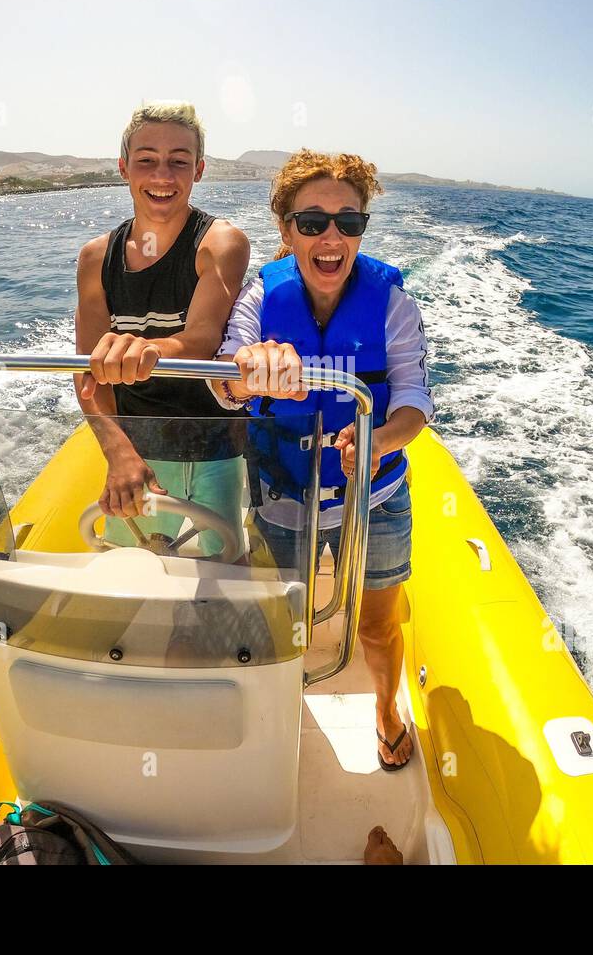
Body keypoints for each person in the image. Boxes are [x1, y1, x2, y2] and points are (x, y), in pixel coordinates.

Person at [209, 149, 433, 770]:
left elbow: (413, 397)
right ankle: (282, 722)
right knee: (284, 627)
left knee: (377, 629)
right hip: (284, 499)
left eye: (348, 222)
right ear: (286, 231)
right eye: (312, 222)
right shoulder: (259, 301)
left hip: (376, 498)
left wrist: (382, 441)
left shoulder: (393, 307)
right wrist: (248, 374)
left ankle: (387, 712)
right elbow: (225, 381)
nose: (331, 237)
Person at [74, 102, 251, 558]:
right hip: (137, 443)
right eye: (147, 160)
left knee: (223, 580)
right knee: (128, 581)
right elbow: (86, 371)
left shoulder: (221, 243)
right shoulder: (96, 258)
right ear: (123, 168)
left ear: (199, 170)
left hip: (216, 446)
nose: (162, 176)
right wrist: (118, 452)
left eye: (179, 161)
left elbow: (202, 339)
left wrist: (143, 347)